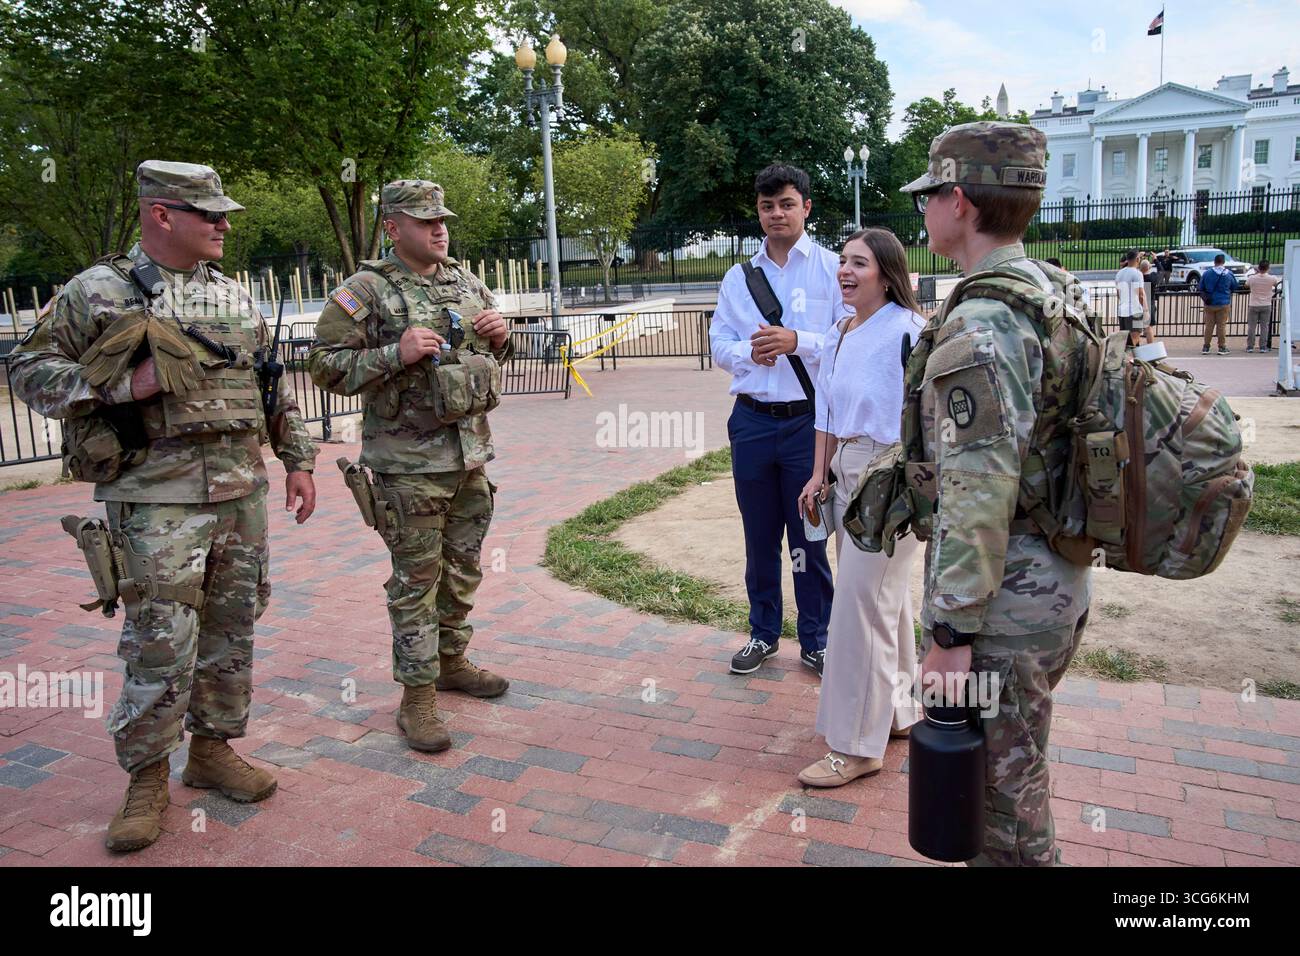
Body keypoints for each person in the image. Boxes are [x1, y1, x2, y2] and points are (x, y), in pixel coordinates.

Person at [9, 161, 319, 852]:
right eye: (209, 213)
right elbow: (28, 370)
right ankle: (145, 775)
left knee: (231, 631)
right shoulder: (95, 291)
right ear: (162, 214)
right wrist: (119, 388)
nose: (224, 225)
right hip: (154, 498)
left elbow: (271, 386)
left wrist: (297, 460)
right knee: (159, 643)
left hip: (241, 492)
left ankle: (210, 751)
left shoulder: (234, 296)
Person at [899, 121, 1092, 866]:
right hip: (1052, 576)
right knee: (1018, 776)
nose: (923, 213)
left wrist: (950, 636)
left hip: (999, 608)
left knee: (999, 812)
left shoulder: (981, 323)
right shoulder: (1049, 288)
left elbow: (977, 489)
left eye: (928, 197)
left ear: (958, 200)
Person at [309, 180, 511, 753]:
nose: (439, 229)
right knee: (415, 584)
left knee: (463, 571)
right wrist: (391, 354)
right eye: (425, 221)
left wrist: (503, 338)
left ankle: (451, 661)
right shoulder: (365, 291)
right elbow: (322, 365)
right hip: (407, 467)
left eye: (442, 219)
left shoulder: (465, 282)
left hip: (470, 458)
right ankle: (416, 700)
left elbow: (487, 356)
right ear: (394, 228)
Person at [794, 228, 926, 787]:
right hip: (845, 470)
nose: (845, 271)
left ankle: (855, 745)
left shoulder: (910, 331)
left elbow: (926, 416)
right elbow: (826, 408)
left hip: (889, 477)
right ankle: (898, 713)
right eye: (843, 261)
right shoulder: (841, 331)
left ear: (887, 272)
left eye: (860, 263)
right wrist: (819, 472)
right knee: (884, 604)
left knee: (859, 607)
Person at [709, 164, 845, 676]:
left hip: (809, 424)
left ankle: (817, 638)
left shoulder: (833, 269)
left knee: (809, 533)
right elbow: (718, 344)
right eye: (767, 206)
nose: (776, 214)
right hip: (751, 421)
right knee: (759, 534)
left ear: (806, 207)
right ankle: (762, 633)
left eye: (786, 204)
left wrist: (797, 342)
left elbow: (846, 336)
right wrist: (750, 353)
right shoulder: (739, 276)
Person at [1198, 253, 1238, 355]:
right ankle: (1222, 347)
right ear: (1223, 262)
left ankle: (1206, 347)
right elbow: (1234, 286)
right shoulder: (1228, 274)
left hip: (1209, 302)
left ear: (1214, 262)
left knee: (1209, 326)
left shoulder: (1207, 273)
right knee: (1221, 326)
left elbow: (1201, 287)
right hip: (1223, 302)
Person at [1245, 261, 1281, 353]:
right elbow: (1276, 284)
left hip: (1254, 304)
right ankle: (1263, 346)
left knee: (1251, 327)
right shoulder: (1272, 278)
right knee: (1264, 326)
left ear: (1258, 267)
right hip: (1266, 304)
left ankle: (1250, 346)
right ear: (1268, 268)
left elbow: (1246, 285)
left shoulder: (1252, 278)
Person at [1115, 249, 1147, 348]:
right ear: (1137, 259)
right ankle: (1129, 360)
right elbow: (1140, 294)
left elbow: (1118, 294)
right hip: (1135, 311)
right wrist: (1145, 309)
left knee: (1126, 339)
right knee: (1134, 338)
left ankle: (1132, 360)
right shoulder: (1137, 273)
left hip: (1122, 310)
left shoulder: (1119, 273)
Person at [1138, 256, 1158, 344]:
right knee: (1149, 327)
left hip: (1138, 302)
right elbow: (1161, 271)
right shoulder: (1152, 277)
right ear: (1149, 267)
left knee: (1136, 328)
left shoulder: (1138, 277)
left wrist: (1139, 258)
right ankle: (1150, 346)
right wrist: (1155, 259)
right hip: (1149, 301)